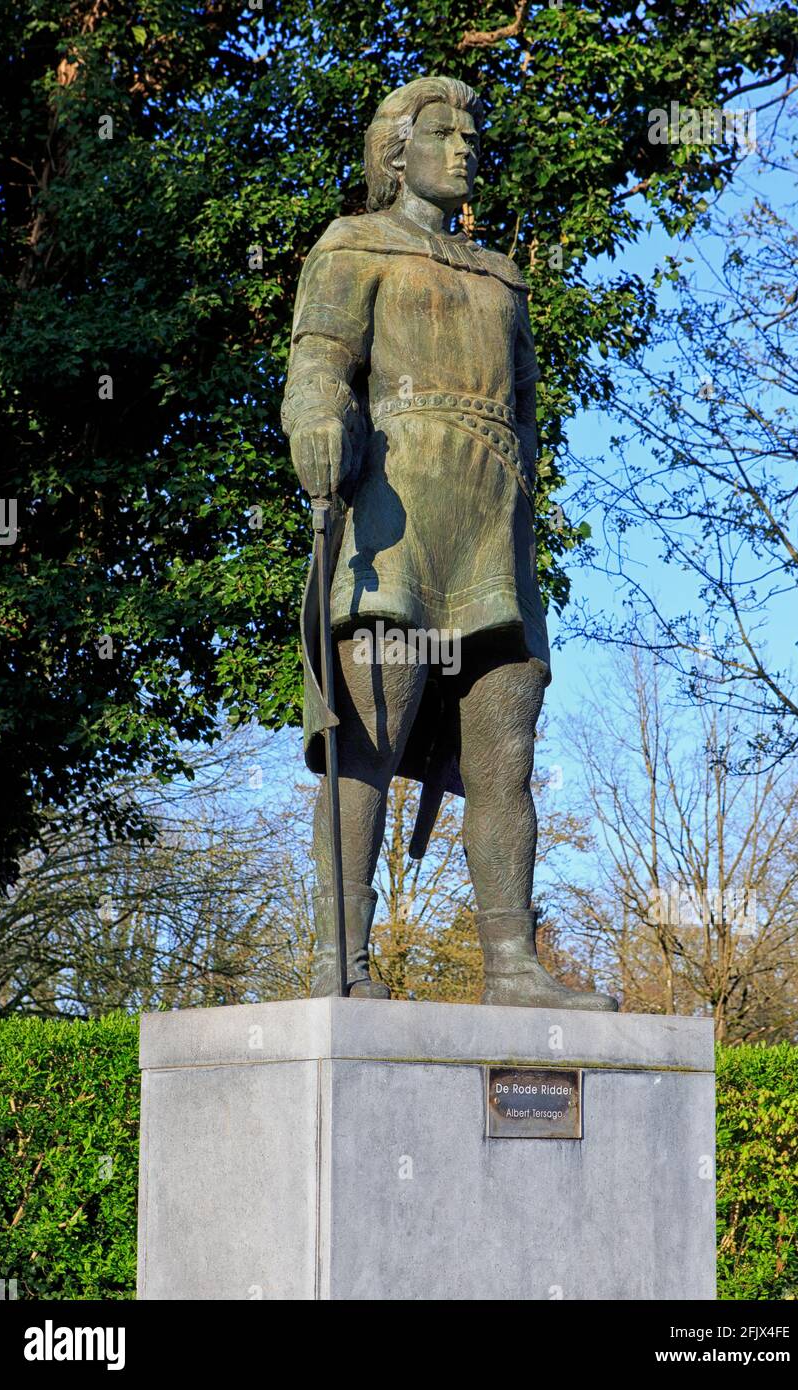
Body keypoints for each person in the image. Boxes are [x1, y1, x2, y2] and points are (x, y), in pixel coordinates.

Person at [281, 75, 617, 1011]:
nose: (465, 146)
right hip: (397, 519)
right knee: (372, 735)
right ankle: (338, 960)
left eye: (473, 131)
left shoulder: (501, 275)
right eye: (443, 131)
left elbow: (529, 414)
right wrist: (316, 420)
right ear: (396, 152)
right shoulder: (353, 246)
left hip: (492, 526)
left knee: (505, 748)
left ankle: (512, 964)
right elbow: (319, 364)